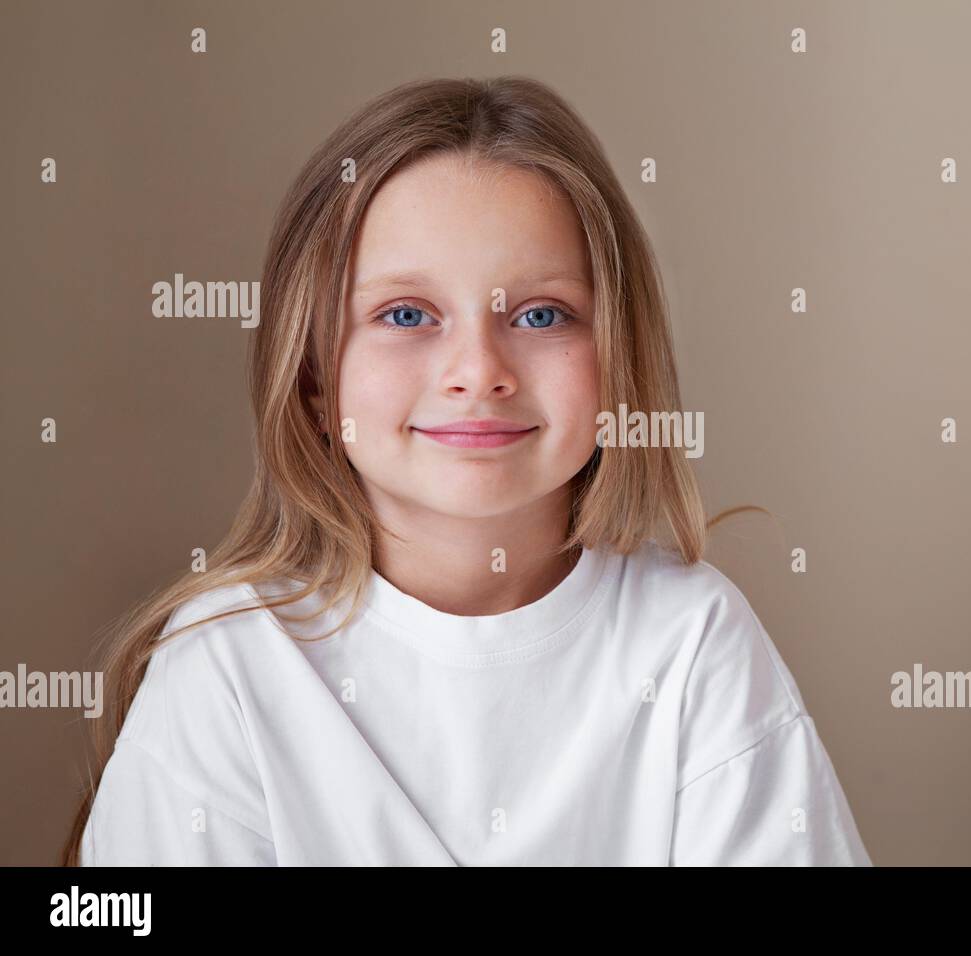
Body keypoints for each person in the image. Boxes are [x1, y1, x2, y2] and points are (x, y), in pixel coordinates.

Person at [65, 76, 871, 866]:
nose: (478, 371)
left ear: (617, 362)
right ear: (314, 382)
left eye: (540, 314)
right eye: (406, 315)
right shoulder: (228, 667)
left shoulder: (695, 643)